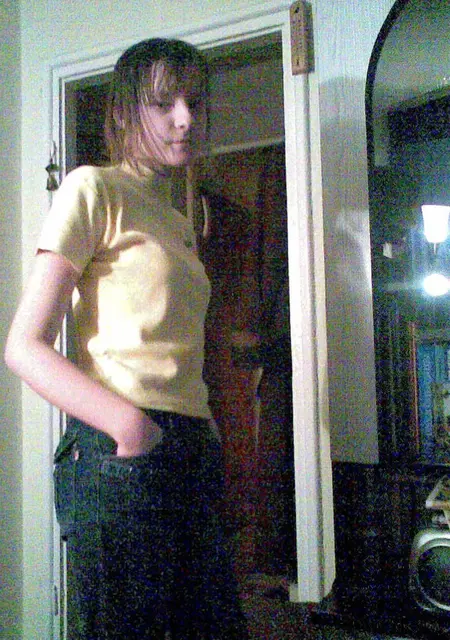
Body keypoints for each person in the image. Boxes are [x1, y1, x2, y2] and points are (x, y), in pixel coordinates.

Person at [5, 38, 249, 640]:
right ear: (124, 111)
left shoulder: (178, 220)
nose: (185, 118)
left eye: (194, 101)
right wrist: (131, 428)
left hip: (189, 446)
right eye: (164, 103)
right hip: (125, 449)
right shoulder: (92, 188)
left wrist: (205, 428)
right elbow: (23, 347)